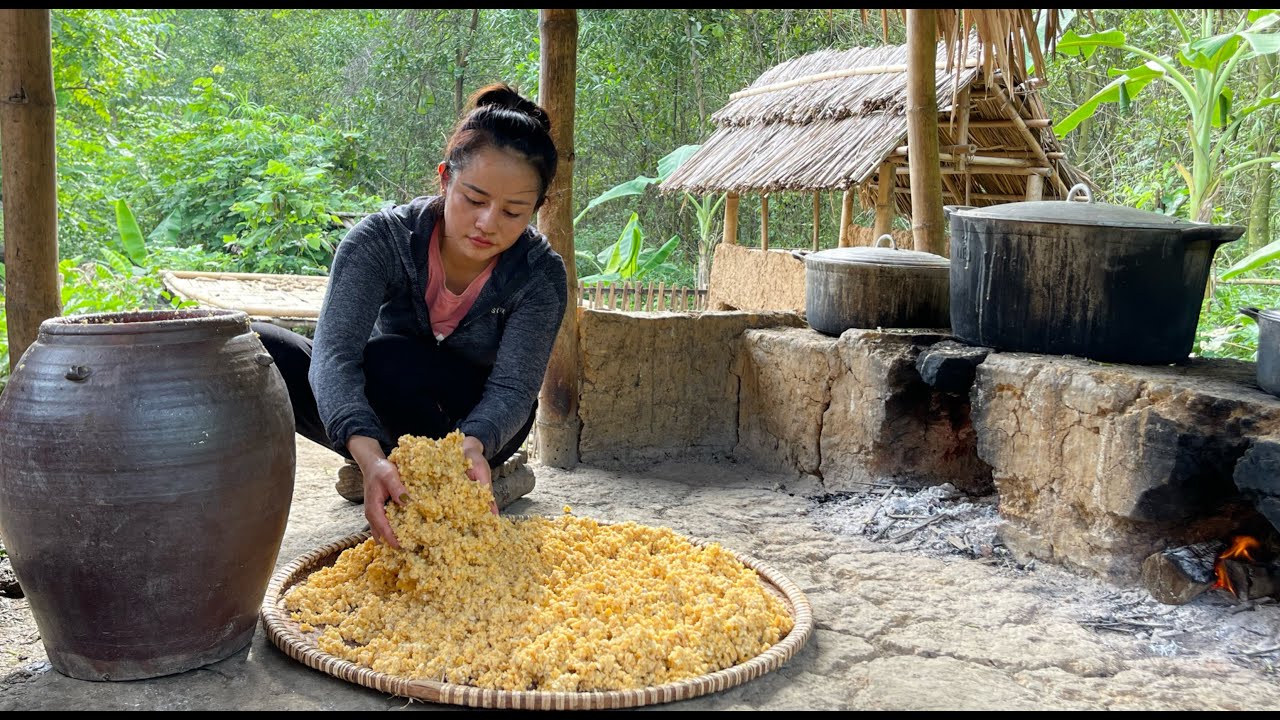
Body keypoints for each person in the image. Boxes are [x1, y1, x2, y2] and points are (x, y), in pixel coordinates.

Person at [254, 82, 566, 549]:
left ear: (537, 210)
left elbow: (514, 388)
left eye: (513, 211)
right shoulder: (380, 241)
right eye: (474, 200)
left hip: (475, 420)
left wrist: (476, 442)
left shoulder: (539, 274)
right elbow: (335, 356)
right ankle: (383, 468)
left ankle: (459, 473)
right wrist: (366, 450)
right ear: (445, 179)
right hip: (386, 402)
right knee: (263, 347)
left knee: (394, 362)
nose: (488, 223)